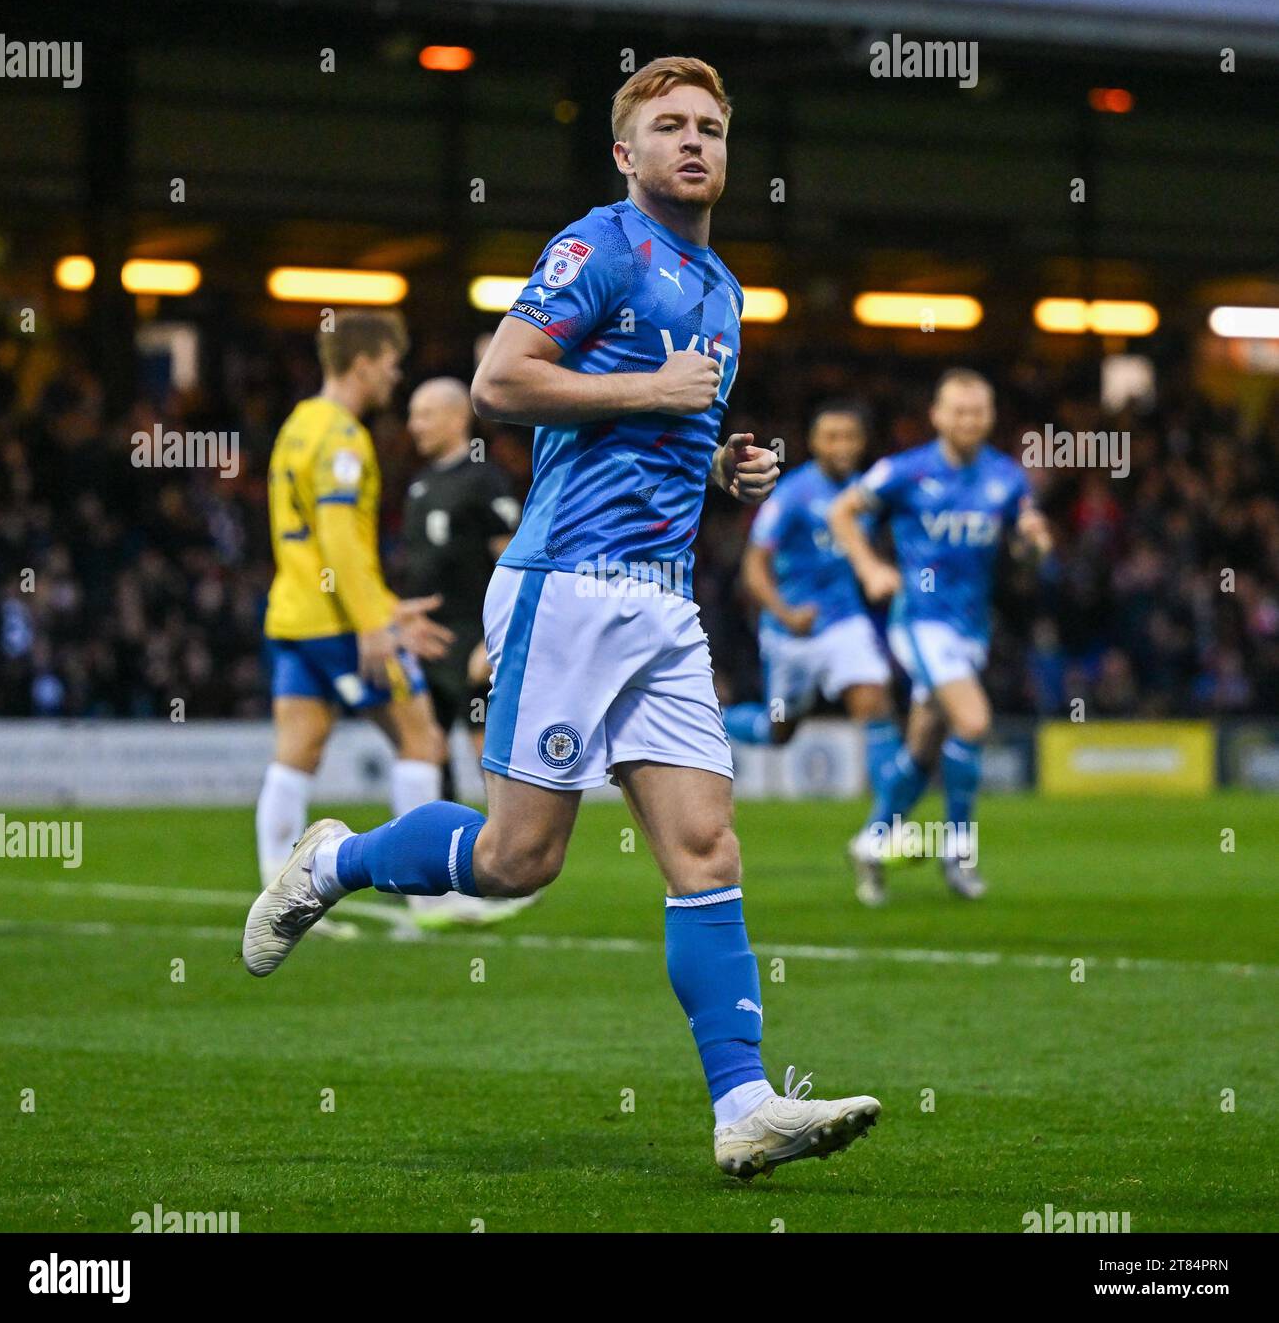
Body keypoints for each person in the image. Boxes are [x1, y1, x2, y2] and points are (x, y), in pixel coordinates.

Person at [243, 57, 881, 1179]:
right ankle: (334, 862)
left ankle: (742, 1105)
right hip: (569, 585)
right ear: (626, 154)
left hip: (664, 599)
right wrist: (651, 392)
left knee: (705, 847)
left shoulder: (723, 287)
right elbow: (501, 383)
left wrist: (724, 465)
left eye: (711, 126)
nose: (695, 141)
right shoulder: (598, 247)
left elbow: (663, 429)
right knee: (517, 860)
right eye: (669, 126)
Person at [254, 309, 453, 931]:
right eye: (392, 364)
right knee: (422, 739)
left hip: (294, 615)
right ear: (363, 364)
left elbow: (312, 541)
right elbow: (339, 540)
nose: (396, 376)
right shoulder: (343, 436)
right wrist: (373, 621)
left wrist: (384, 605)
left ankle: (278, 904)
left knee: (298, 750)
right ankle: (428, 896)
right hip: (339, 621)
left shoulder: (297, 425)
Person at [829, 368, 1052, 906]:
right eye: (959, 411)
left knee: (925, 743)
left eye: (978, 411)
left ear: (990, 416)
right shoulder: (905, 471)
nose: (969, 420)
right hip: (920, 621)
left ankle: (871, 841)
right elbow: (843, 511)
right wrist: (869, 568)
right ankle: (958, 853)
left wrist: (1034, 543)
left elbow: (1028, 544)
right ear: (937, 415)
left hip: (971, 627)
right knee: (973, 721)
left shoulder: (1006, 478)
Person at [398, 375, 533, 930]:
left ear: (458, 418)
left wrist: (495, 638)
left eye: (424, 414)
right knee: (426, 754)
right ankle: (436, 872)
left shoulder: (483, 479)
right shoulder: (419, 485)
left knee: (489, 756)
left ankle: (507, 866)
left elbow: (516, 558)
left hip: (475, 642)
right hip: (425, 643)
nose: (413, 425)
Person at [723, 402, 896, 791]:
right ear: (814, 442)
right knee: (778, 731)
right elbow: (754, 566)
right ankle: (715, 720)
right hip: (791, 630)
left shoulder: (865, 494)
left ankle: (888, 816)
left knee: (873, 699)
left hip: (844, 620)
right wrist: (785, 613)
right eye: (831, 437)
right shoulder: (793, 493)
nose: (842, 446)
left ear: (863, 442)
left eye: (850, 437)